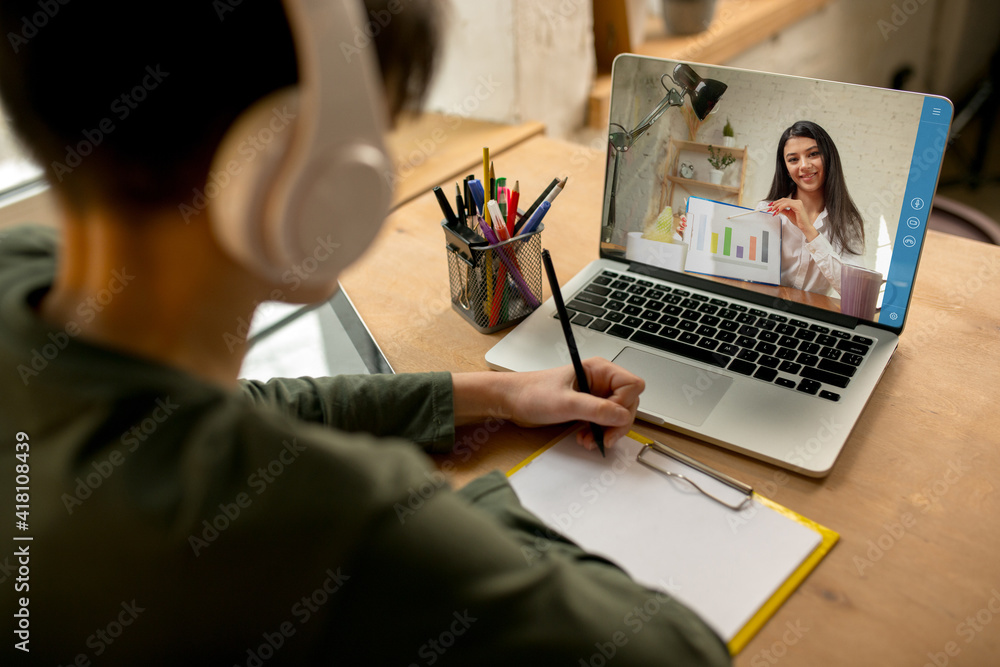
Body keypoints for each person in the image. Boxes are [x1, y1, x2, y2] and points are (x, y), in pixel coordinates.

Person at [0, 1, 730, 665]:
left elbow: (238, 414)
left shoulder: (23, 276)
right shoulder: (327, 526)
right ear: (310, 170)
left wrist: (498, 394)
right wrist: (463, 512)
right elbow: (681, 651)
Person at [758, 120, 866, 297]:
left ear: (828, 158)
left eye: (813, 154)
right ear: (786, 169)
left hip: (814, 314)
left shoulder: (848, 222)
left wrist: (809, 231)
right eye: (793, 159)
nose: (804, 165)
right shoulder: (766, 211)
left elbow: (854, 291)